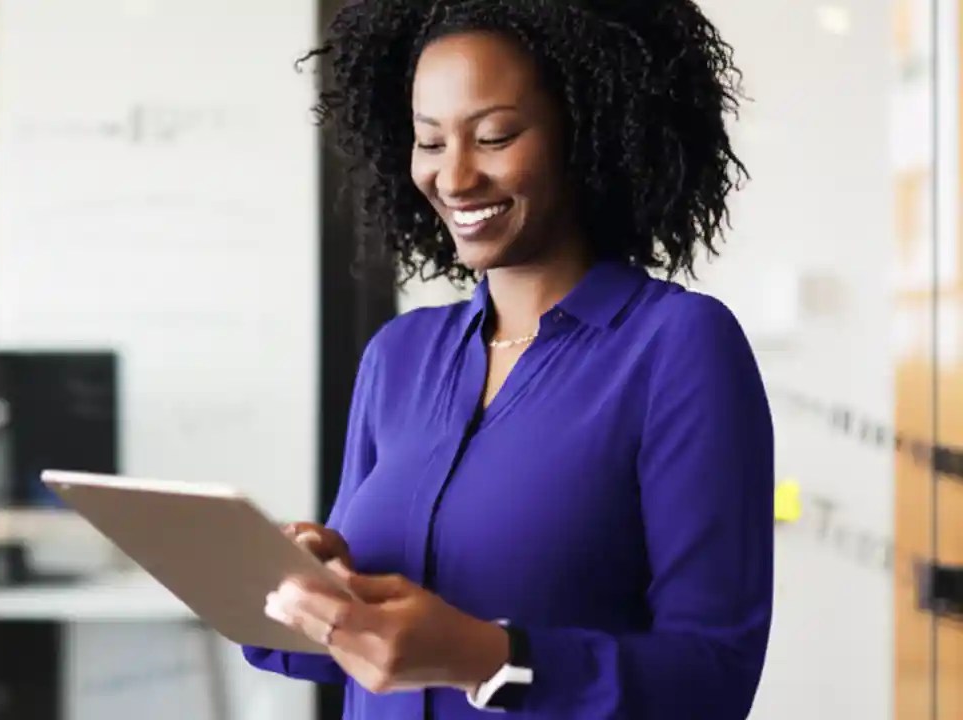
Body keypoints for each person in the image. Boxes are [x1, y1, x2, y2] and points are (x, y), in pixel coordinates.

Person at [244, 0, 774, 717]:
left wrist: (484, 656)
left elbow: (713, 678)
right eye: (429, 143)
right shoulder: (398, 357)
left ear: (586, 135)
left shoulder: (677, 347)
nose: (455, 178)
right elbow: (363, 658)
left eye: (494, 137)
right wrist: (316, 588)